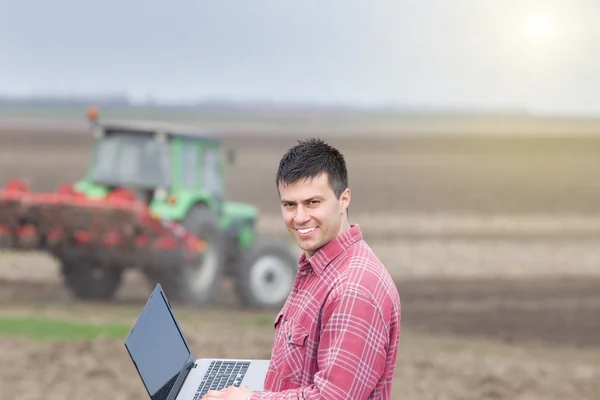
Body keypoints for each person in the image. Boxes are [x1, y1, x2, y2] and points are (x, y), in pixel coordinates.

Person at [203, 138, 401, 400]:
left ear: (344, 200)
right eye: (289, 205)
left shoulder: (353, 289)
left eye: (312, 203)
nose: (299, 217)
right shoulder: (319, 268)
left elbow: (333, 398)